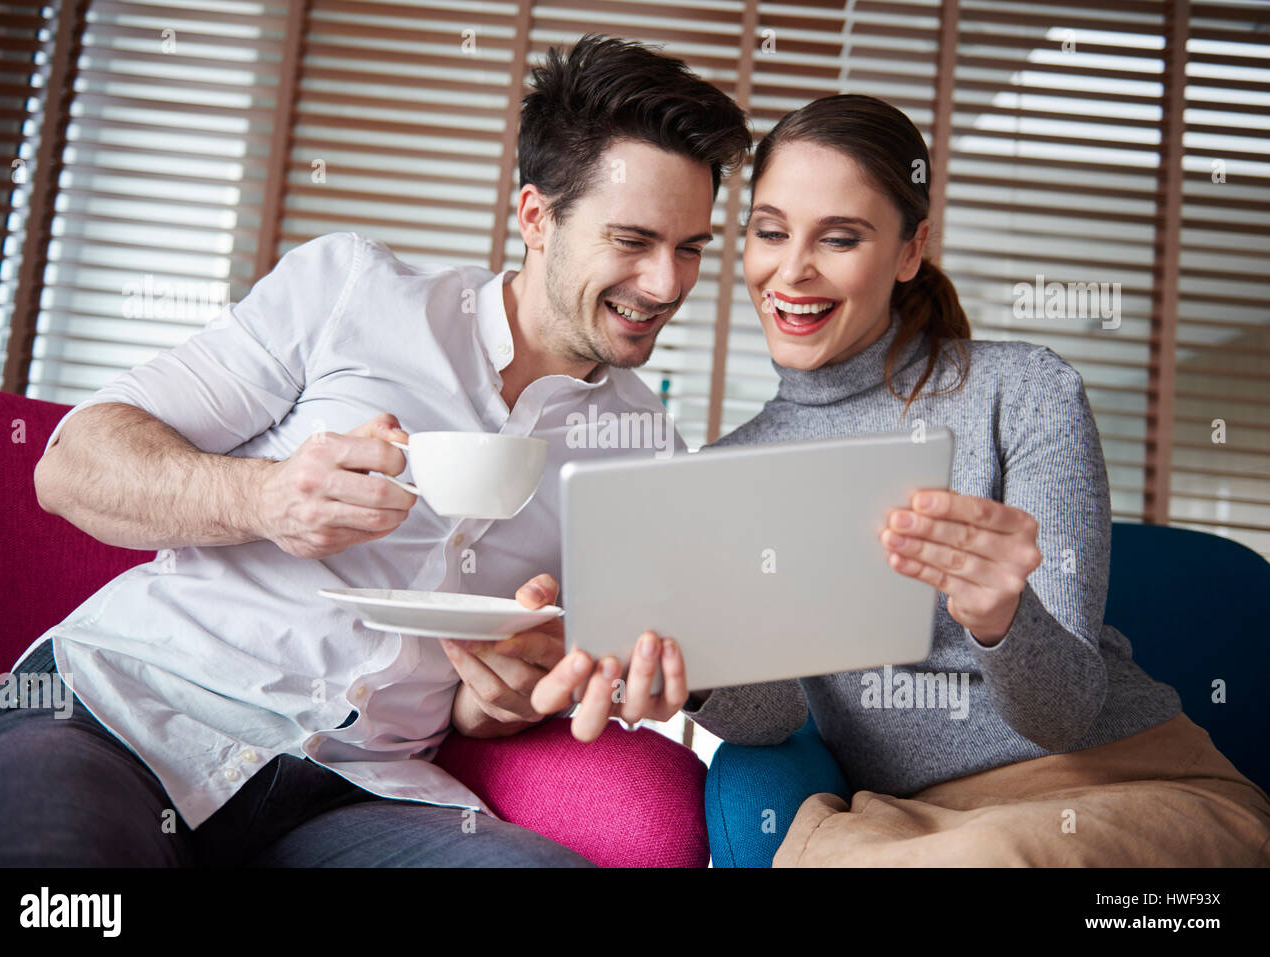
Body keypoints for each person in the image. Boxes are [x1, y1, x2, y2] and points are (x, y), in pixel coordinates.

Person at [0, 34, 751, 867]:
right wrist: (266, 499)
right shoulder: (352, 290)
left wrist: (505, 698)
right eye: (633, 241)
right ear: (536, 216)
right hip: (118, 708)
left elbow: (543, 686)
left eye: (692, 247)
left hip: (358, 789)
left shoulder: (645, 451)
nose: (668, 284)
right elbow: (71, 463)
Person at [526, 93, 1270, 866]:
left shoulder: (1026, 392)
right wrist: (699, 666)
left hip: (1123, 787)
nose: (792, 270)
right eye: (770, 232)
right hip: (908, 823)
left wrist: (1002, 618)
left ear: (910, 251)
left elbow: (1067, 714)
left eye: (840, 238)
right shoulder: (731, 467)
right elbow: (777, 710)